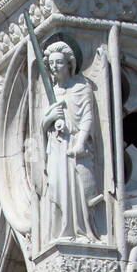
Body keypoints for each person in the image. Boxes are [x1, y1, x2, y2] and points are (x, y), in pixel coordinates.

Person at [41, 41, 102, 244]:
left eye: (59, 62)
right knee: (58, 187)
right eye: (51, 63)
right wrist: (50, 118)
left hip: (77, 146)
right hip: (56, 147)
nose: (55, 66)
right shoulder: (51, 92)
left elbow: (88, 117)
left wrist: (81, 141)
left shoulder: (81, 88)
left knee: (81, 192)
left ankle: (82, 231)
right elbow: (41, 126)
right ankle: (63, 231)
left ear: (69, 64)